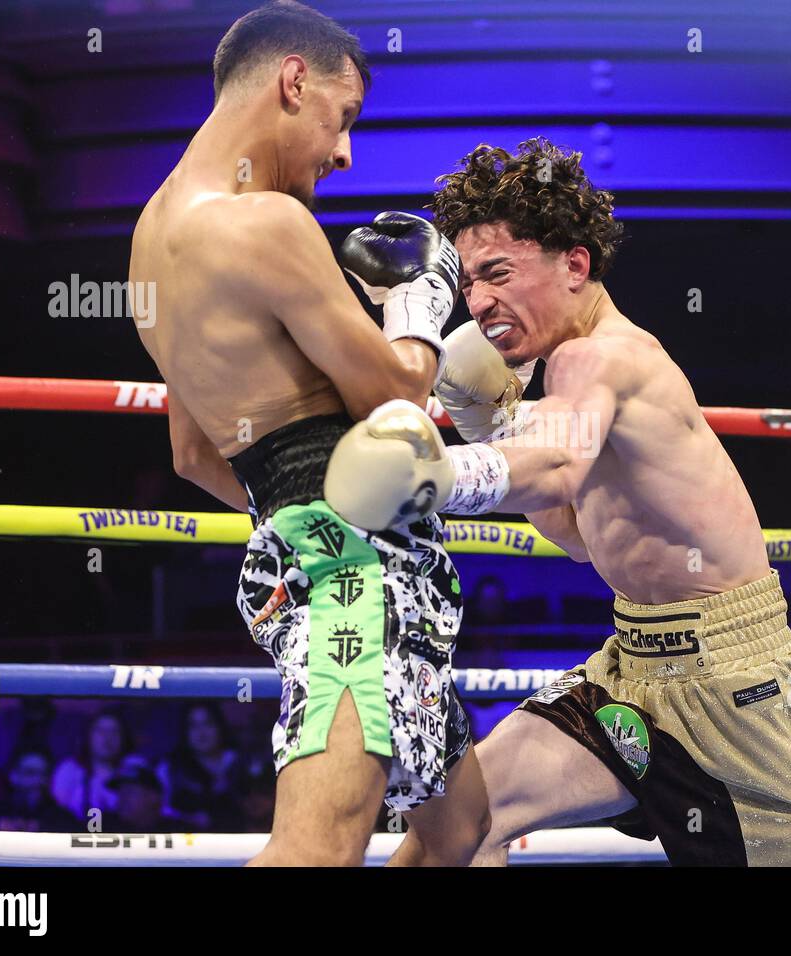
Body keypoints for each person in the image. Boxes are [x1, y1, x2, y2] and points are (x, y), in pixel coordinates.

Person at [326, 137, 791, 866]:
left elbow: (555, 465)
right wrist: (488, 425)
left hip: (738, 683)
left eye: (498, 273)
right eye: (468, 285)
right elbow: (580, 533)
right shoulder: (562, 379)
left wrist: (435, 474)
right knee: (459, 827)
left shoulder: (605, 358)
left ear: (575, 265)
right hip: (632, 666)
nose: (481, 302)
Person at [128, 1, 487, 865]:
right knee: (315, 853)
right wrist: (421, 301)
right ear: (295, 81)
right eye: (344, 116)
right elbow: (395, 390)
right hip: (354, 575)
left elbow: (193, 455)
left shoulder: (151, 239)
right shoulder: (268, 224)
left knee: (466, 835)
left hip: (307, 551)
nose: (343, 152)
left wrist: (301, 517)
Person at [158, 703, 244, 830]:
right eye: (193, 726)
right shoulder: (170, 768)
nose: (201, 732)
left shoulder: (240, 763)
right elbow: (160, 809)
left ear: (220, 726)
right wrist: (187, 818)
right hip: (185, 840)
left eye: (208, 723)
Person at [52, 708, 131, 824]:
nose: (108, 739)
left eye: (114, 732)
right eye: (101, 731)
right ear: (88, 735)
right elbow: (58, 812)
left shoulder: (133, 770)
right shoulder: (69, 770)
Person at [0, 750, 79, 833]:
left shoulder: (61, 818)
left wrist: (42, 828)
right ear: (13, 775)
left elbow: (80, 843)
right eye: (30, 773)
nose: (38, 780)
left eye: (43, 774)